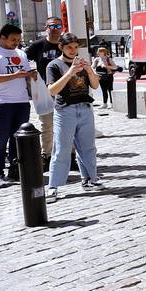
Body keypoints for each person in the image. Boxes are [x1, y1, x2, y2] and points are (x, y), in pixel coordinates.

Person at [45, 33, 102, 198]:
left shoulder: (82, 63)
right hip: (65, 110)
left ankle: (91, 179)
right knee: (61, 149)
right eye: (69, 47)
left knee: (88, 147)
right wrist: (70, 72)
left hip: (84, 108)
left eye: (76, 47)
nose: (73, 50)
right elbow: (52, 91)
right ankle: (53, 186)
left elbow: (95, 85)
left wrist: (89, 71)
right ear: (61, 47)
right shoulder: (54, 65)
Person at [0, 23, 36, 189]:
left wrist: (31, 76)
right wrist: (14, 75)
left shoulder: (20, 53)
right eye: (13, 39)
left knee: (18, 138)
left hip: (21, 101)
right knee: (0, 138)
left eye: (18, 40)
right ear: (2, 37)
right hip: (1, 102)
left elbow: (24, 74)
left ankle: (15, 169)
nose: (16, 43)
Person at [26, 17, 63, 163]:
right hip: (44, 90)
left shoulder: (64, 44)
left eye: (58, 26)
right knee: (46, 125)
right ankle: (46, 155)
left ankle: (69, 155)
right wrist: (30, 72)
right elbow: (24, 58)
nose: (55, 29)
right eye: (52, 26)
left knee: (67, 124)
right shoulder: (38, 45)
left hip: (63, 89)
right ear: (46, 27)